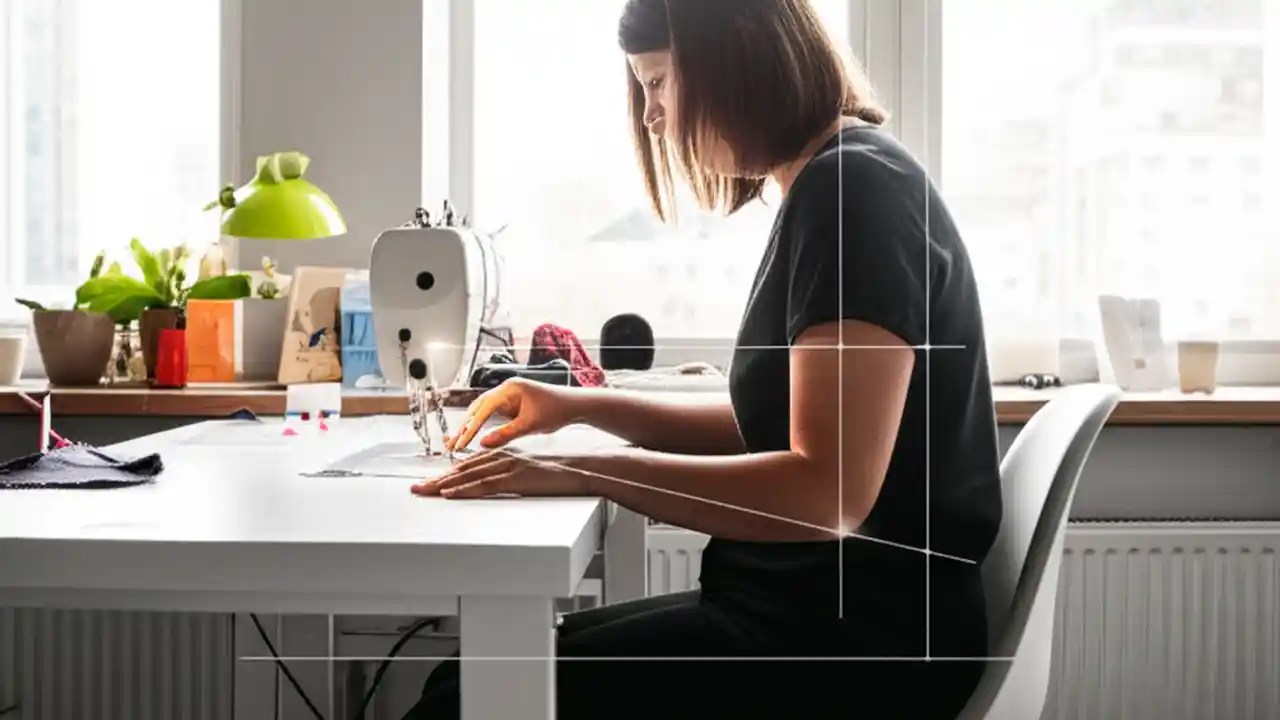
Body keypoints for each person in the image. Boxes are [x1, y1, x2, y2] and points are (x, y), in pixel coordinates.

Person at [403, 0, 1002, 717]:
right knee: (469, 678)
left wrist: (576, 468)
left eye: (658, 83)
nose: (652, 118)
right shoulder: (834, 183)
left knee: (466, 696)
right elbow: (775, 430)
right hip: (814, 612)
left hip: (857, 642)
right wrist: (579, 407)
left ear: (739, 54)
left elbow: (828, 494)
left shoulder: (853, 194)